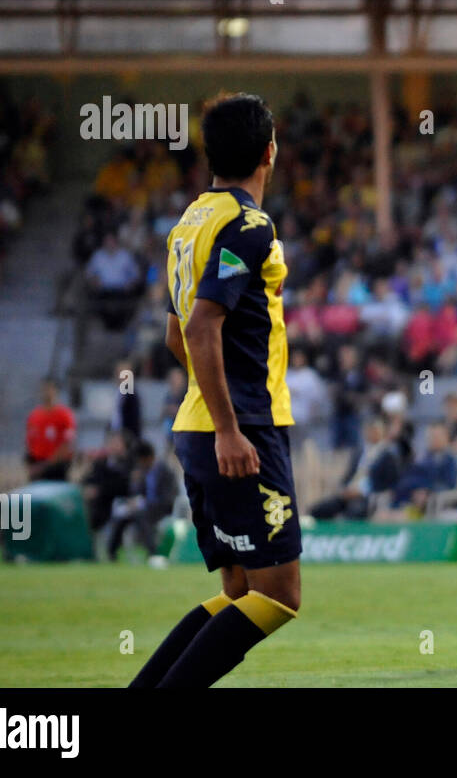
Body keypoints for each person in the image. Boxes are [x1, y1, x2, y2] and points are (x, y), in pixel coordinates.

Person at [130, 93, 300, 689]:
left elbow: (175, 334)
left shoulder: (188, 224)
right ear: (268, 153)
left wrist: (212, 405)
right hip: (242, 430)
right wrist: (230, 425)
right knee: (277, 596)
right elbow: (200, 327)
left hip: (198, 426)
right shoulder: (248, 225)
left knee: (238, 592)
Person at [106, 442, 179, 561]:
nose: (140, 464)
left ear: (148, 457)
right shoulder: (142, 472)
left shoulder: (165, 471)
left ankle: (153, 553)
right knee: (120, 516)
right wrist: (134, 490)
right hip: (143, 508)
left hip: (162, 508)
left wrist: (144, 503)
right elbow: (135, 492)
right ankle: (111, 553)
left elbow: (169, 496)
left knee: (141, 515)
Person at [24, 378, 77, 481]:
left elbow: (68, 443)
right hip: (37, 465)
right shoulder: (34, 416)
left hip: (57, 467)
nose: (46, 393)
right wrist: (31, 464)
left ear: (56, 391)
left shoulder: (64, 415)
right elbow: (30, 442)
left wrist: (47, 465)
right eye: (44, 389)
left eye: (49, 389)